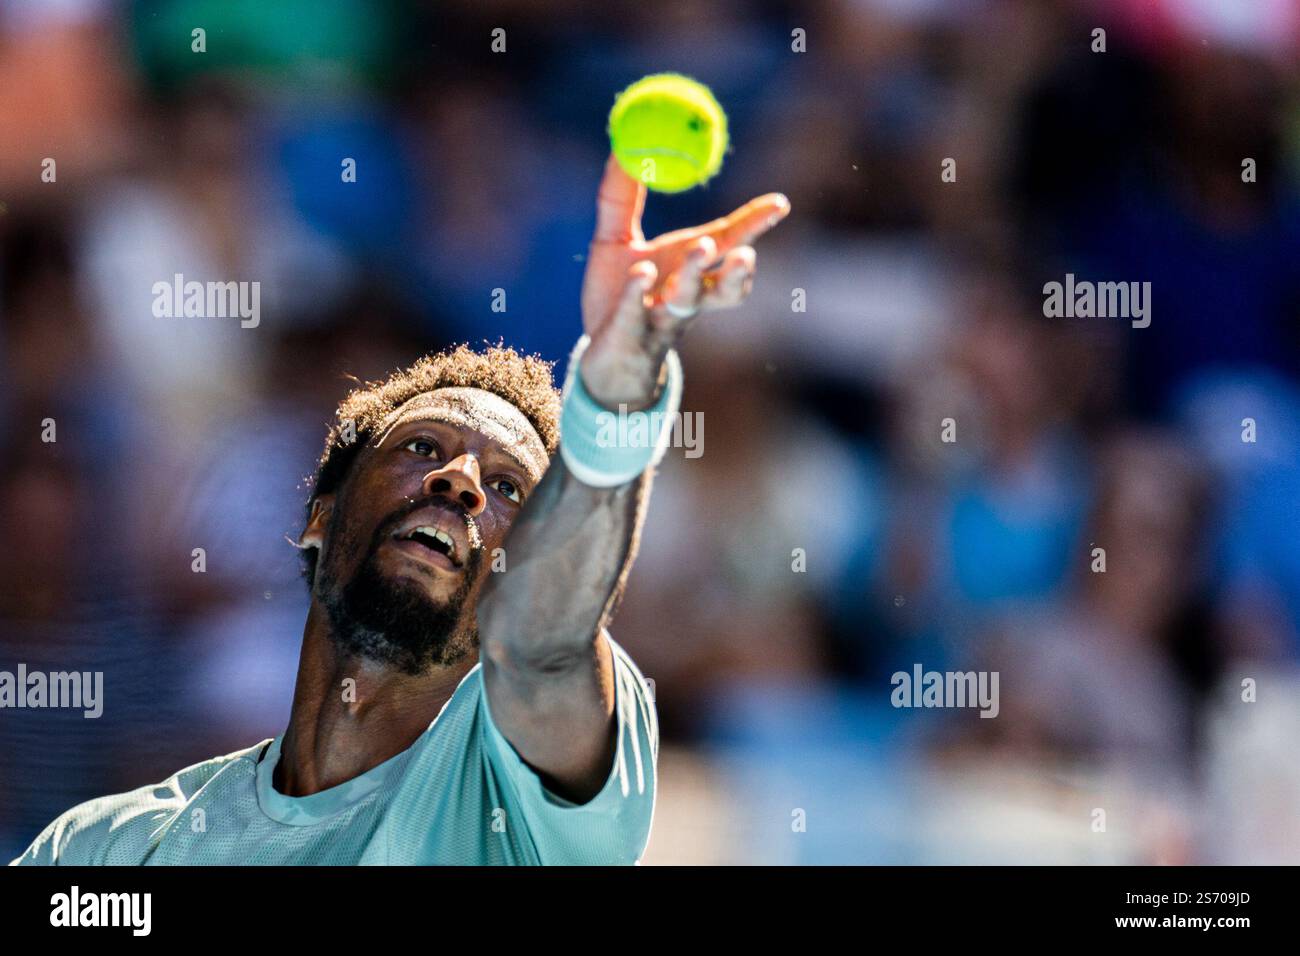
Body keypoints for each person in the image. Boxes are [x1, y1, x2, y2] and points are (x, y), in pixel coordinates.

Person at [11, 157, 789, 865]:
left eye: (510, 488)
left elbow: (546, 640)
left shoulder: (518, 806)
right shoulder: (106, 850)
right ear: (319, 515)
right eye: (420, 446)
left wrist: (618, 395)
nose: (459, 480)